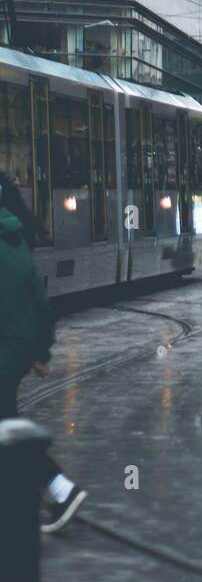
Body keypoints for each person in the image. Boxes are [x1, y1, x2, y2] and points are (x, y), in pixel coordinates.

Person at [0, 170, 87, 533]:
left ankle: (61, 488)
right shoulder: (14, 238)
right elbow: (41, 303)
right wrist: (40, 350)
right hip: (16, 349)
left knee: (6, 430)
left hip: (5, 351)